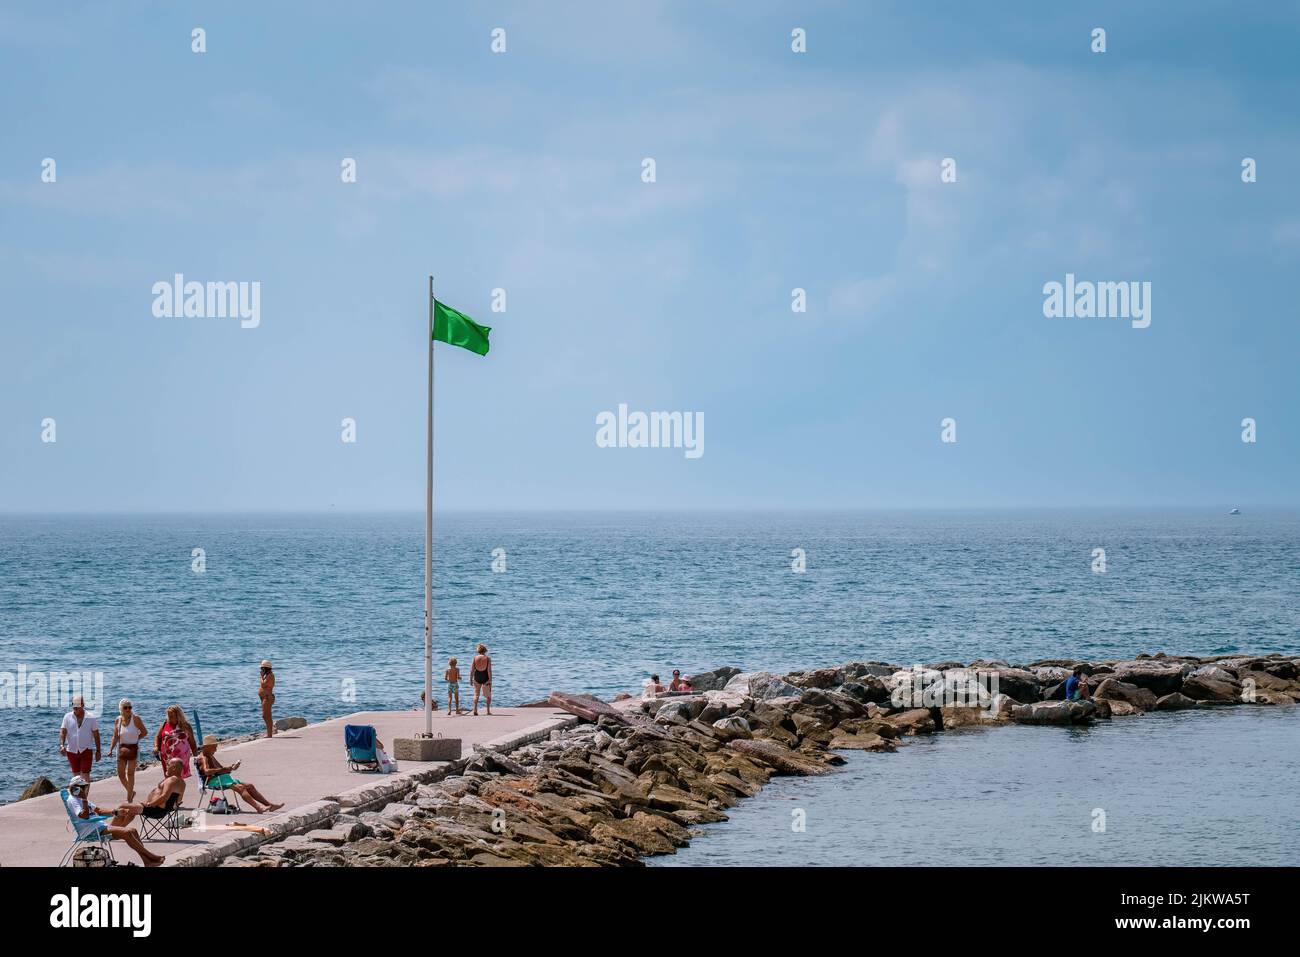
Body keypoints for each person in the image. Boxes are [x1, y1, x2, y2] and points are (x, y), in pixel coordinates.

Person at [66, 775, 164, 867]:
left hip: (99, 826)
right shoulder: (73, 800)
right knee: (128, 832)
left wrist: (116, 812)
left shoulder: (81, 799)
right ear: (75, 789)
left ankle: (147, 861)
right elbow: (85, 816)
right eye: (82, 788)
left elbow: (99, 810)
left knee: (133, 831)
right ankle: (151, 856)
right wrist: (84, 799)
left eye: (85, 787)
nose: (84, 790)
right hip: (90, 831)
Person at [196, 735, 284, 814]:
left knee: (249, 786)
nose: (215, 750)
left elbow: (221, 769)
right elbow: (207, 771)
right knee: (241, 788)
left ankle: (270, 805)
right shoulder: (203, 757)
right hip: (213, 781)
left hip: (221, 778)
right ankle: (259, 808)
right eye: (214, 747)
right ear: (207, 747)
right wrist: (224, 769)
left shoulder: (210, 755)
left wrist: (231, 768)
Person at [108, 698, 148, 802]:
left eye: (130, 707)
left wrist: (136, 738)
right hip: (121, 748)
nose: (128, 709)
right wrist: (111, 749)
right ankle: (131, 791)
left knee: (130, 774)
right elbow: (115, 736)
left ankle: (129, 798)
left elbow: (144, 732)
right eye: (125, 707)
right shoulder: (118, 720)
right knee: (121, 774)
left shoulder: (136, 719)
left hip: (133, 749)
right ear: (121, 708)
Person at [59, 695, 101, 777]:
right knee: (76, 777)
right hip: (71, 751)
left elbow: (96, 735)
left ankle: (85, 790)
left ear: (83, 705)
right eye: (73, 704)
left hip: (86, 750)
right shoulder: (67, 717)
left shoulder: (90, 717)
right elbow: (63, 732)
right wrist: (62, 745)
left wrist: (98, 751)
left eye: (77, 705)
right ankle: (80, 790)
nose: (75, 707)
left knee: (85, 776)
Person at [154, 704, 197, 779]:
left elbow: (192, 742)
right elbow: (158, 736)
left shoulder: (186, 726)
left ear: (178, 716)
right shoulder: (165, 724)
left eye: (171, 716)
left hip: (181, 757)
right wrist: (156, 747)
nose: (169, 718)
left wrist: (196, 757)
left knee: (178, 778)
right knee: (169, 778)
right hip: (167, 757)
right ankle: (172, 791)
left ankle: (176, 791)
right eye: (168, 716)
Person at [470, 644, 493, 716]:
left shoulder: (475, 658)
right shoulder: (487, 658)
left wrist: (470, 679)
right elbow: (489, 670)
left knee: (476, 694)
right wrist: (490, 680)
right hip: (485, 677)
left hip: (477, 677)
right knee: (488, 696)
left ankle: (475, 709)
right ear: (485, 650)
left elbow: (472, 670)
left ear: (478, 650)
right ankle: (488, 711)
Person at [259, 660, 276, 738]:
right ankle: (269, 733)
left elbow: (263, 684)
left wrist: (262, 676)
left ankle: (269, 734)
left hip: (267, 697)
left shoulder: (270, 675)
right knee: (265, 716)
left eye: (262, 668)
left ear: (266, 668)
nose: (261, 670)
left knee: (266, 716)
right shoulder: (267, 675)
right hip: (264, 697)